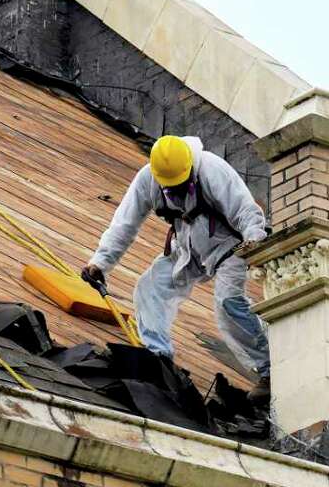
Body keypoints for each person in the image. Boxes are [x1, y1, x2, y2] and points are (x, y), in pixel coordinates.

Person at [82, 135, 272, 396]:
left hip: (230, 248)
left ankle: (271, 369)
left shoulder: (211, 169)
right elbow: (124, 224)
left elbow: (245, 211)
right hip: (187, 248)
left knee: (228, 304)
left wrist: (254, 242)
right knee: (149, 288)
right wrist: (100, 263)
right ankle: (158, 359)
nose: (176, 191)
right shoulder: (148, 179)